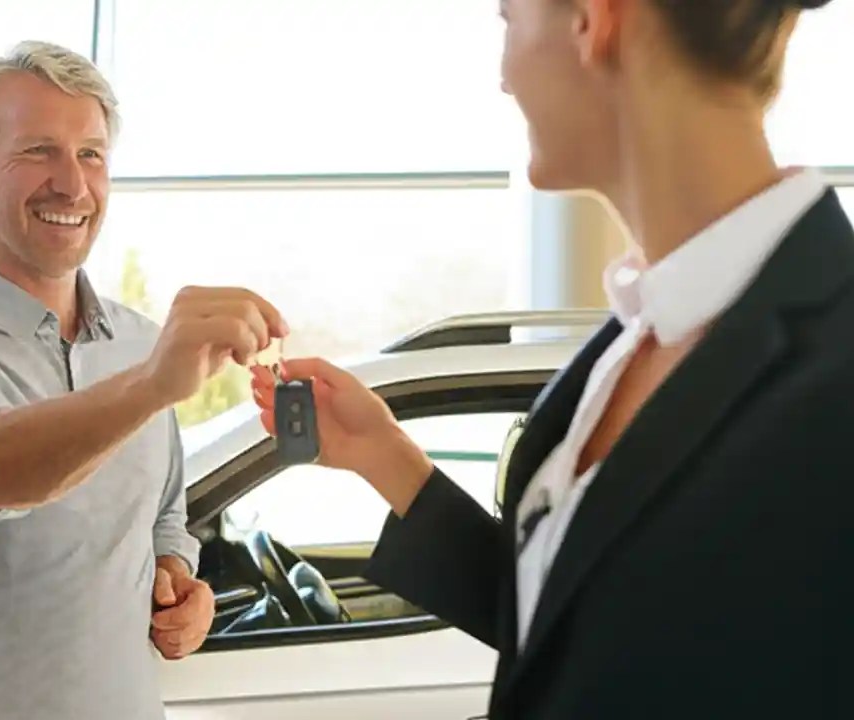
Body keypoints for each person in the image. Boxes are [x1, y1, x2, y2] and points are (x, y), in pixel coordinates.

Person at [253, 0, 852, 718]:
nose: (504, 77)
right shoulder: (629, 342)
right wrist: (385, 456)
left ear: (592, 20)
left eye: (507, 19)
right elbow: (576, 631)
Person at [0, 40, 286, 720]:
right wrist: (149, 385)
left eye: (91, 154)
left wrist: (178, 584)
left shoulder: (142, 344)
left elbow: (163, 520)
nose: (73, 184)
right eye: (37, 152)